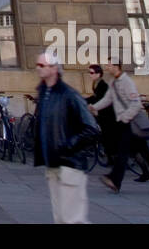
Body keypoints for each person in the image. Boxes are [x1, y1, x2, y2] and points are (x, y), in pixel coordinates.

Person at [32, 50, 100, 224]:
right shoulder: (45, 94)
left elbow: (91, 128)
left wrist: (67, 145)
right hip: (53, 163)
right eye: (37, 65)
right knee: (61, 218)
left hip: (70, 164)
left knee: (73, 219)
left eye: (42, 65)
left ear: (54, 68)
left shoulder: (69, 95)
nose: (38, 68)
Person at [91, 60, 149, 195]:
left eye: (109, 65)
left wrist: (124, 118)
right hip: (126, 123)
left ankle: (115, 180)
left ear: (116, 67)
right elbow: (108, 99)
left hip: (129, 123)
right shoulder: (114, 82)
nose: (107, 68)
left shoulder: (126, 82)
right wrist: (93, 107)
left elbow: (136, 104)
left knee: (123, 153)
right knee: (146, 154)